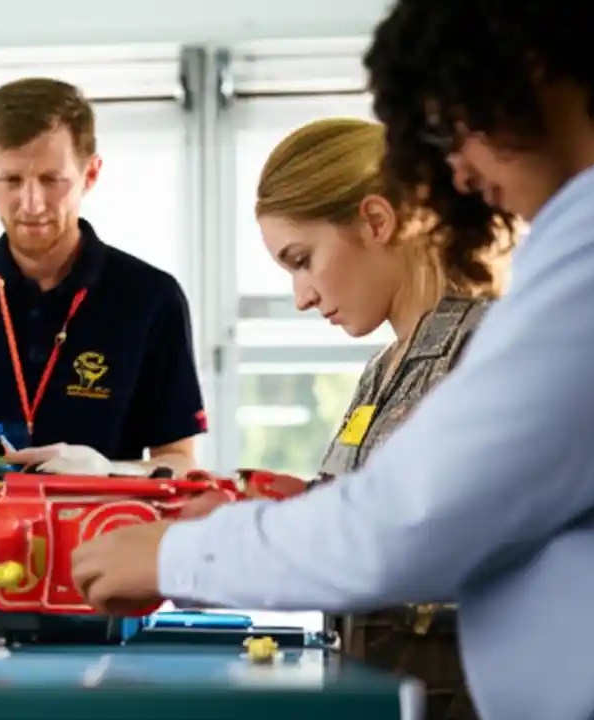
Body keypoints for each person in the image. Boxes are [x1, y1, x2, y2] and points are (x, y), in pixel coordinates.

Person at [70, 1, 594, 719]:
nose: (456, 171)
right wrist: (266, 512)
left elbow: (409, 521)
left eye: (451, 125)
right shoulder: (395, 361)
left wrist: (183, 552)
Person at [213, 116, 514, 719]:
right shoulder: (384, 369)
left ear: (377, 221)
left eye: (303, 260)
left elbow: (439, 549)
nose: (301, 296)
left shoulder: (490, 352)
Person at [0, 77, 206, 477]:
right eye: (12, 180)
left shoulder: (151, 297)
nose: (32, 204)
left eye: (52, 180)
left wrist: (105, 471)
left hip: (106, 533)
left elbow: (179, 461)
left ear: (90, 174)